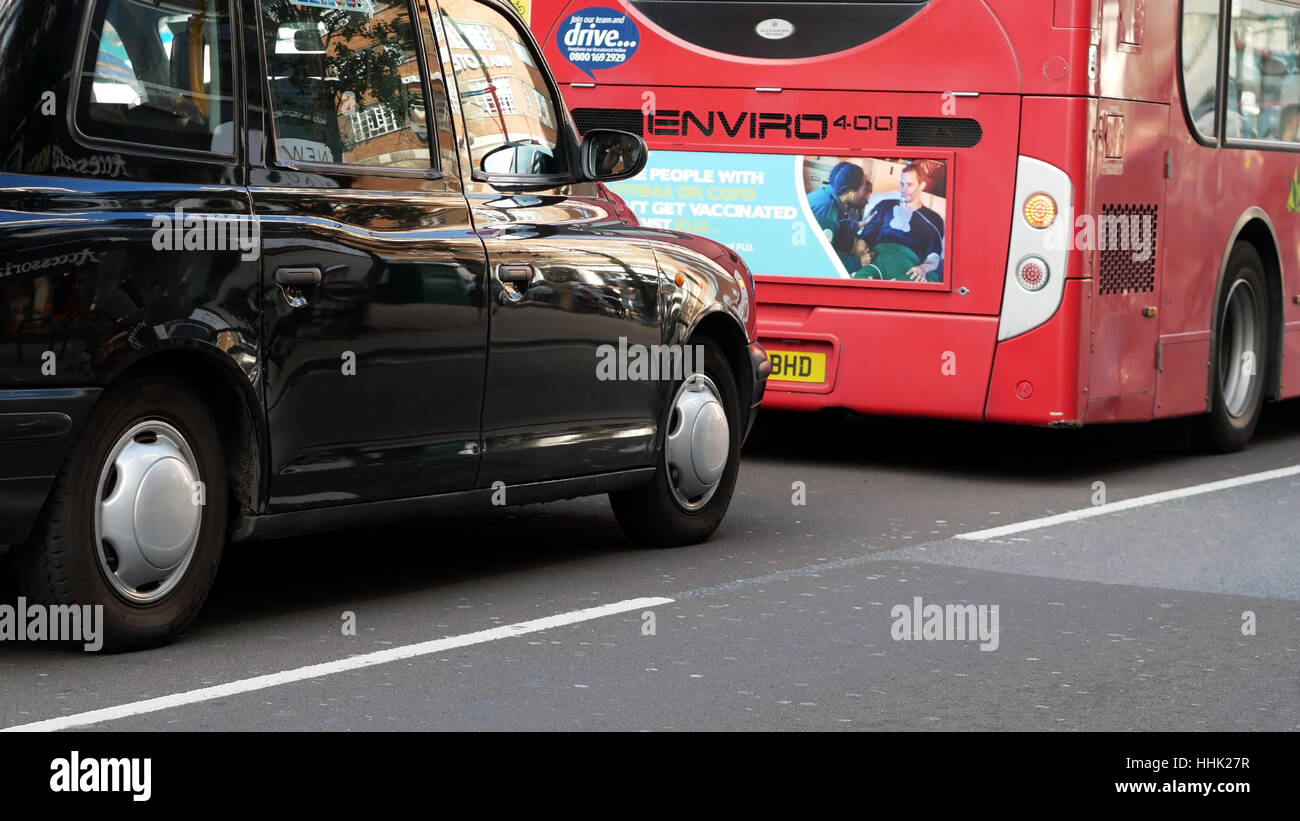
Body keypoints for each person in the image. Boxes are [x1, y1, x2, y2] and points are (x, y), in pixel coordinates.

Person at [855, 163, 944, 282]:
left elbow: (934, 256)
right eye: (902, 184)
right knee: (860, 278)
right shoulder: (885, 205)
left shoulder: (932, 219)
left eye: (910, 185)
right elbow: (865, 236)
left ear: (922, 185)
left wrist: (923, 268)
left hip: (908, 267)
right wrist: (860, 254)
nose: (904, 190)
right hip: (879, 258)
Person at [807, 161, 871, 274]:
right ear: (851, 193)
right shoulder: (827, 213)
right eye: (864, 188)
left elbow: (837, 224)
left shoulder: (827, 194)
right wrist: (858, 261)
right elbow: (824, 260)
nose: (865, 193)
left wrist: (857, 224)